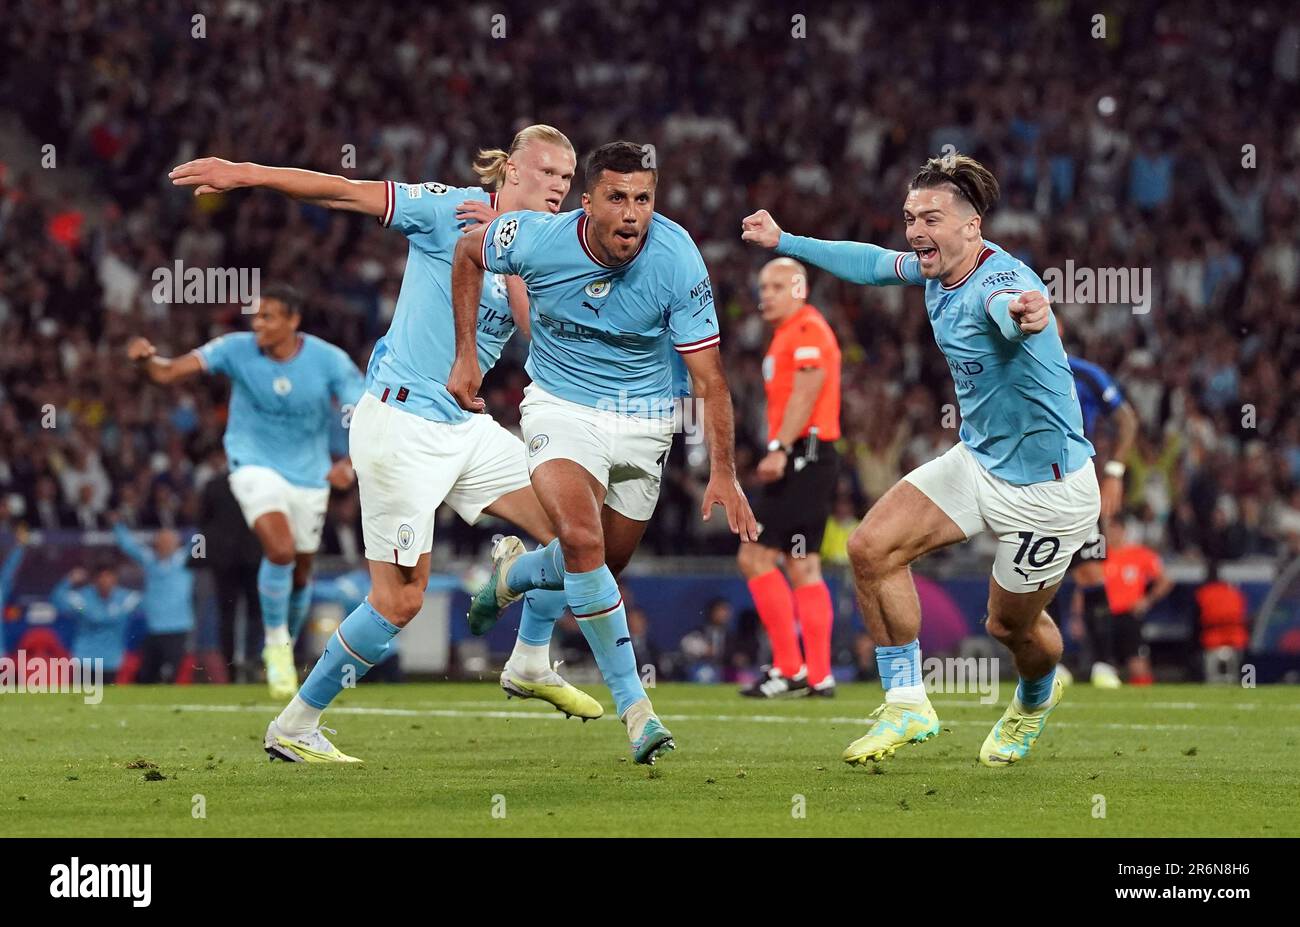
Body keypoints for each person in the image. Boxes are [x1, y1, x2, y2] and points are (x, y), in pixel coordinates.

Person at [170, 126, 605, 764]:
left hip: (466, 426)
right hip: (401, 426)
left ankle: (531, 660)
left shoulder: (537, 244)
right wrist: (245, 171)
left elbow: (533, 329)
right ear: (510, 170)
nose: (560, 189)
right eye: (547, 174)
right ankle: (295, 723)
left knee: (578, 532)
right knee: (400, 599)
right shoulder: (445, 207)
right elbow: (345, 192)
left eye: (568, 181)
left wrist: (506, 250)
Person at [743, 152, 1100, 768]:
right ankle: (908, 703)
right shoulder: (936, 271)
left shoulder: (999, 283)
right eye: (910, 217)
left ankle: (1035, 698)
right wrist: (788, 241)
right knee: (869, 549)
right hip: (979, 459)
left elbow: (1010, 310)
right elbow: (871, 264)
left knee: (1010, 629)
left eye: (930, 217)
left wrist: (1028, 316)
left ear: (972, 225)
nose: (915, 230)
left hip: (1050, 489)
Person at [450, 141, 758, 764]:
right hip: (560, 408)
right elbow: (465, 252)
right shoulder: (534, 238)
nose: (631, 214)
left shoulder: (678, 258)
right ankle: (637, 711)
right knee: (584, 542)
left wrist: (723, 470)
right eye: (617, 198)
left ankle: (516, 576)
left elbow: (711, 379)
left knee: (597, 567)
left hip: (644, 421)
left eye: (643, 199)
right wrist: (465, 356)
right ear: (586, 203)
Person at [127, 285, 364, 699]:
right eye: (256, 316)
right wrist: (148, 362)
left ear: (293, 321)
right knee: (280, 550)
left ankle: (284, 647)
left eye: (269, 316)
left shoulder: (329, 361)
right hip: (252, 465)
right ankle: (274, 646)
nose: (258, 324)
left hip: (310, 477)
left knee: (301, 571)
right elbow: (167, 372)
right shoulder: (236, 349)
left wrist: (351, 463)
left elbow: (365, 413)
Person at [737, 257, 842, 698]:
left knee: (755, 557)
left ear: (799, 288)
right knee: (802, 564)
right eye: (763, 286)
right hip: (810, 458)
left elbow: (809, 386)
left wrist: (779, 447)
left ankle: (789, 667)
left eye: (777, 286)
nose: (766, 294)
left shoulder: (806, 330)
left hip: (803, 456)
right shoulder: (788, 333)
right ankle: (817, 675)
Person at [1063, 349, 1140, 688]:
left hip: (1079, 486)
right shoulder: (1012, 368)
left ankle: (1103, 663)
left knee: (1091, 571)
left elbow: (1126, 419)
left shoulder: (1084, 373)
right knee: (1035, 578)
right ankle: (1052, 664)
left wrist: (1114, 471)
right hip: (1030, 487)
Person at [111, 516, 195, 684]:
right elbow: (129, 545)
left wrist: (207, 520)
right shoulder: (149, 559)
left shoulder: (185, 559)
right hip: (153, 628)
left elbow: (203, 539)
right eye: (161, 541)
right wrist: (117, 525)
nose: (164, 545)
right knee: (147, 675)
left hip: (178, 628)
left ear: (176, 543)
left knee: (172, 674)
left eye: (168, 541)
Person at [1102, 520, 1173, 684]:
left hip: (1129, 615)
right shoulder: (1101, 556)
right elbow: (1087, 584)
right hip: (1105, 615)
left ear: (1123, 530)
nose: (1112, 534)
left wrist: (1147, 600)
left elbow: (1165, 580)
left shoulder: (1140, 554)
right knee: (1105, 665)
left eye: (1115, 530)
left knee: (1137, 663)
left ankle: (1146, 698)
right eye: (1109, 531)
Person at [51, 563, 139, 685]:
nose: (105, 581)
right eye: (102, 577)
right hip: (85, 658)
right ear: (95, 580)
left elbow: (149, 603)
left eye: (109, 577)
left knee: (107, 700)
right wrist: (69, 580)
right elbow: (58, 599)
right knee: (82, 700)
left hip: (111, 660)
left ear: (115, 579)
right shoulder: (82, 600)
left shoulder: (126, 598)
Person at [1195, 561, 1249, 682]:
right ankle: (1247, 683)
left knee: (1211, 672)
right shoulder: (1234, 592)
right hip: (1237, 639)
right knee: (1239, 670)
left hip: (1213, 640)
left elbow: (1196, 620)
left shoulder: (1203, 593)